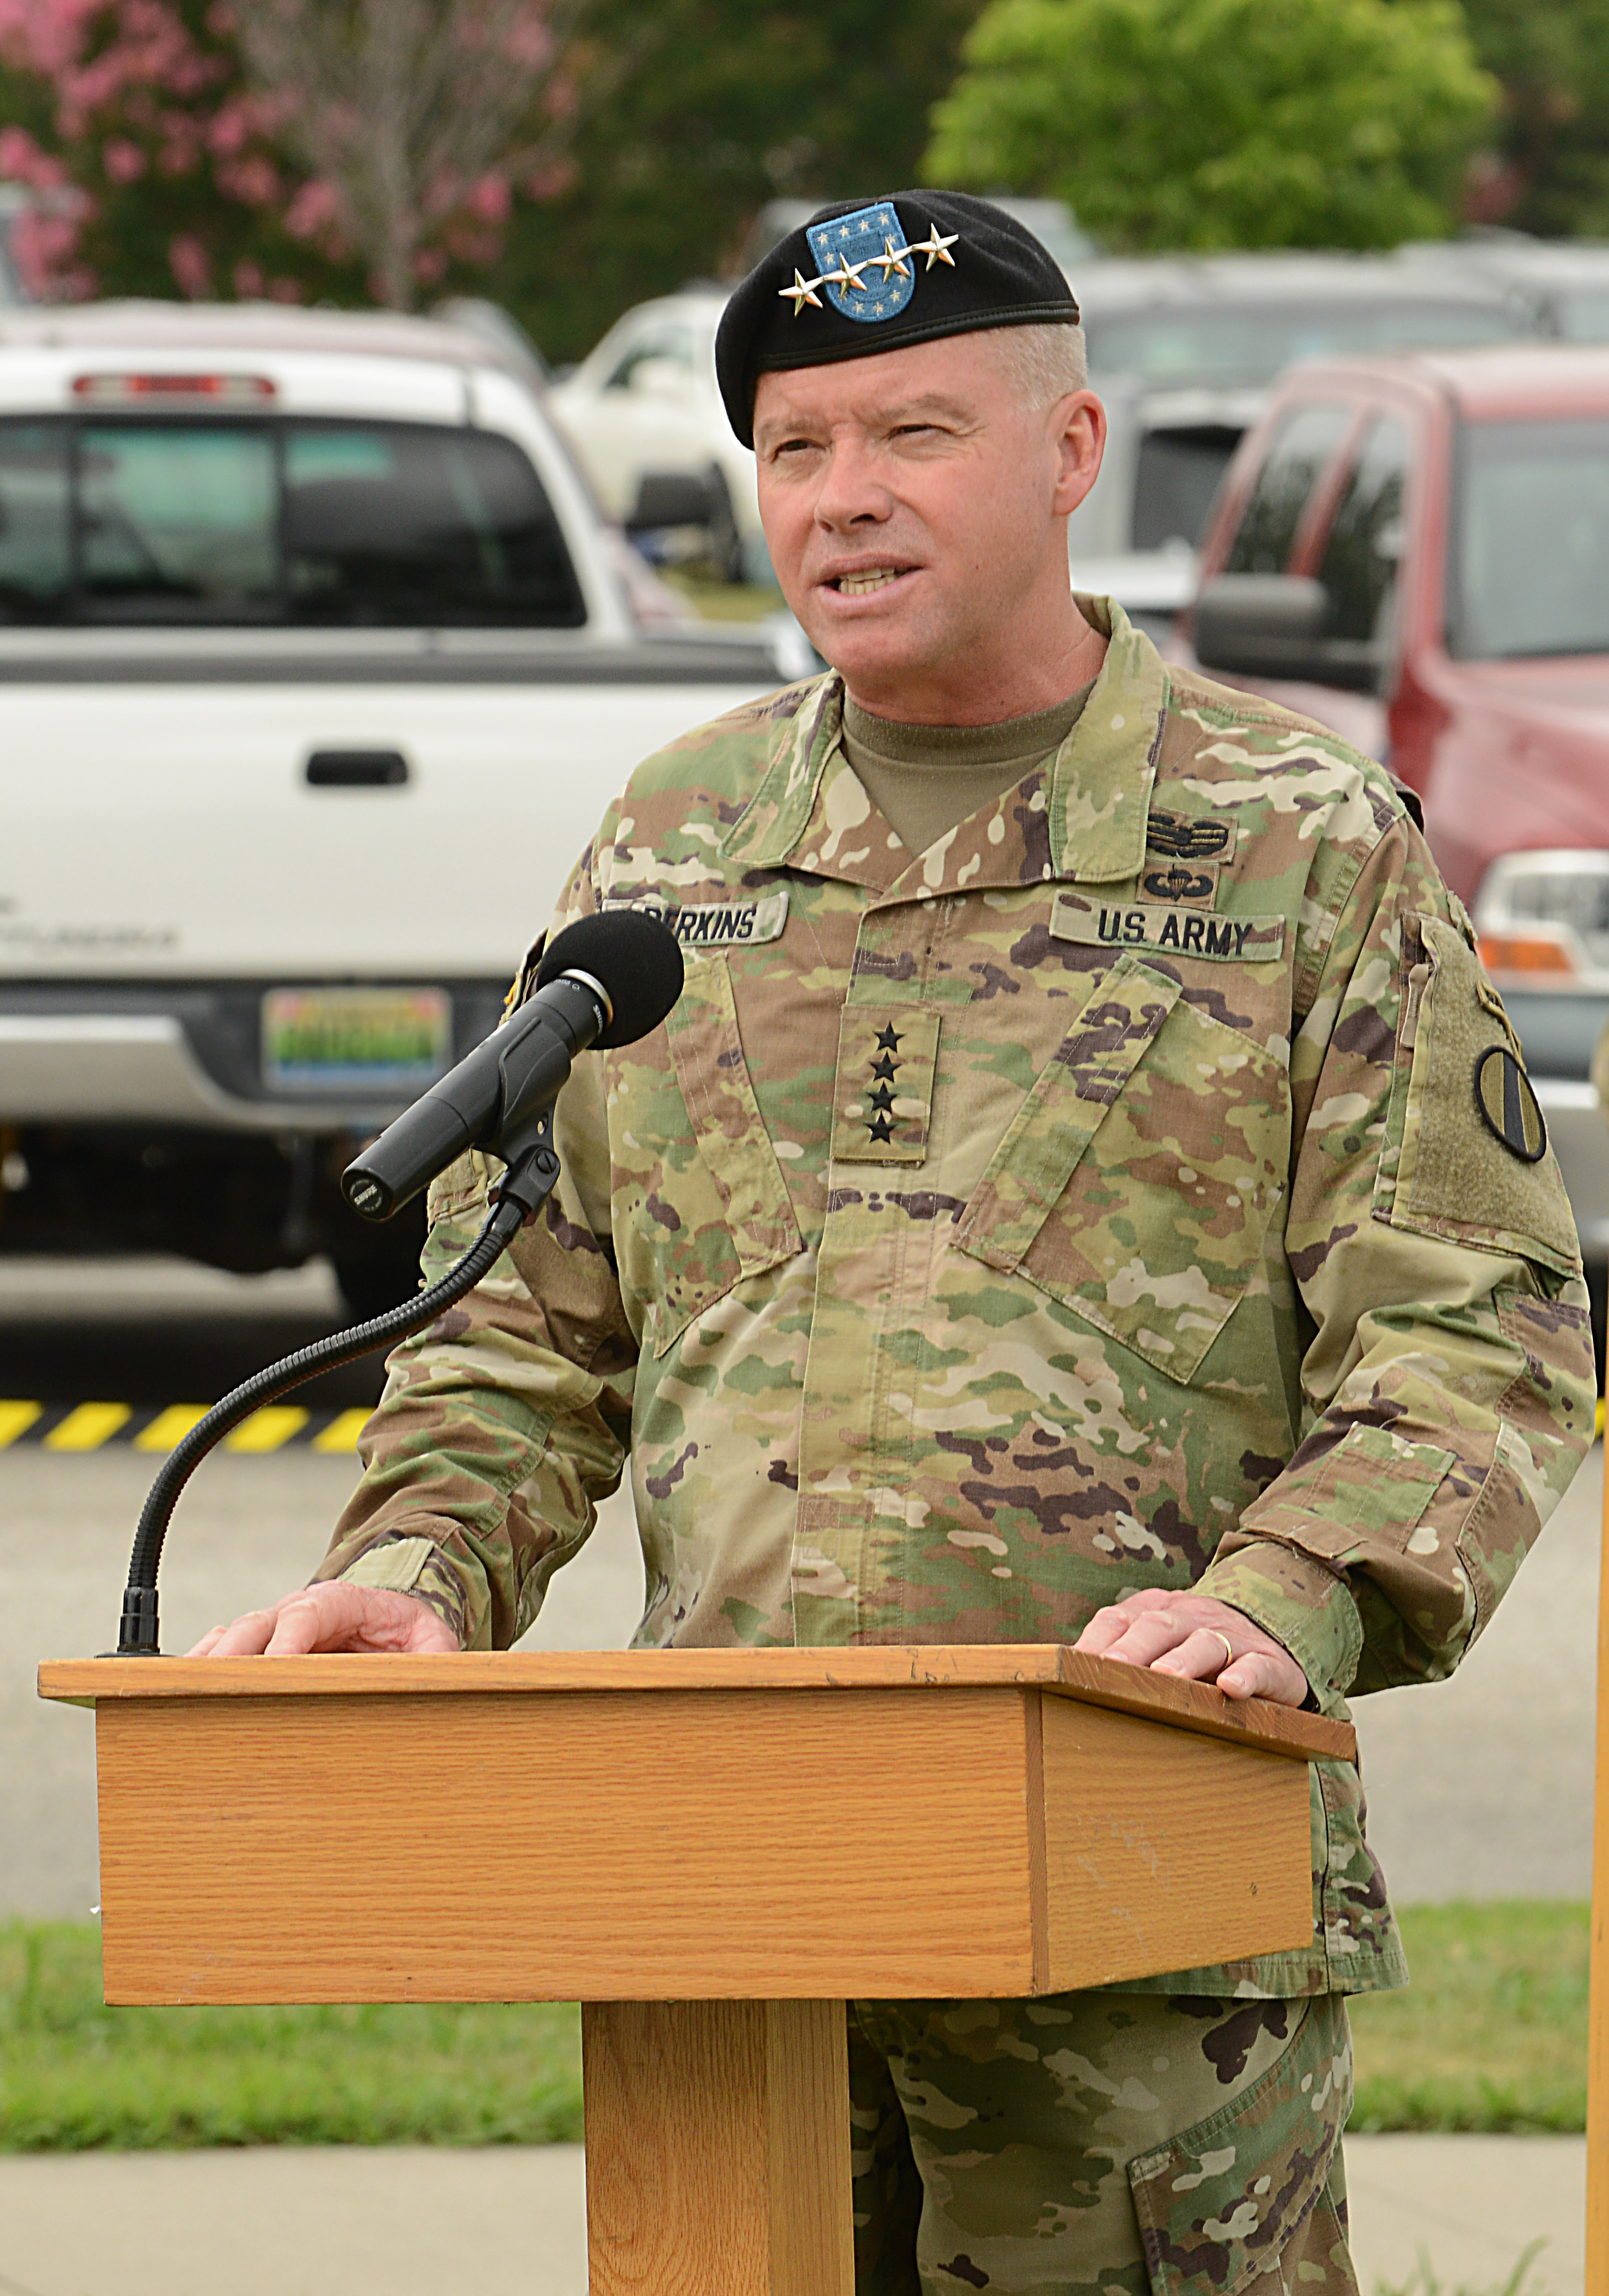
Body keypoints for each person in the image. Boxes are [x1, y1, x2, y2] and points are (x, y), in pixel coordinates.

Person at [197, 195, 1594, 2292]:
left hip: (1144, 1935)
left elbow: (1478, 1329)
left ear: (1069, 448)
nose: (842, 501)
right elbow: (527, 1329)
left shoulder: (1301, 844)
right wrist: (413, 1571)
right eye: (793, 451)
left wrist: (1294, 1592)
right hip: (730, 1910)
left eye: (912, 435)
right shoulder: (672, 848)